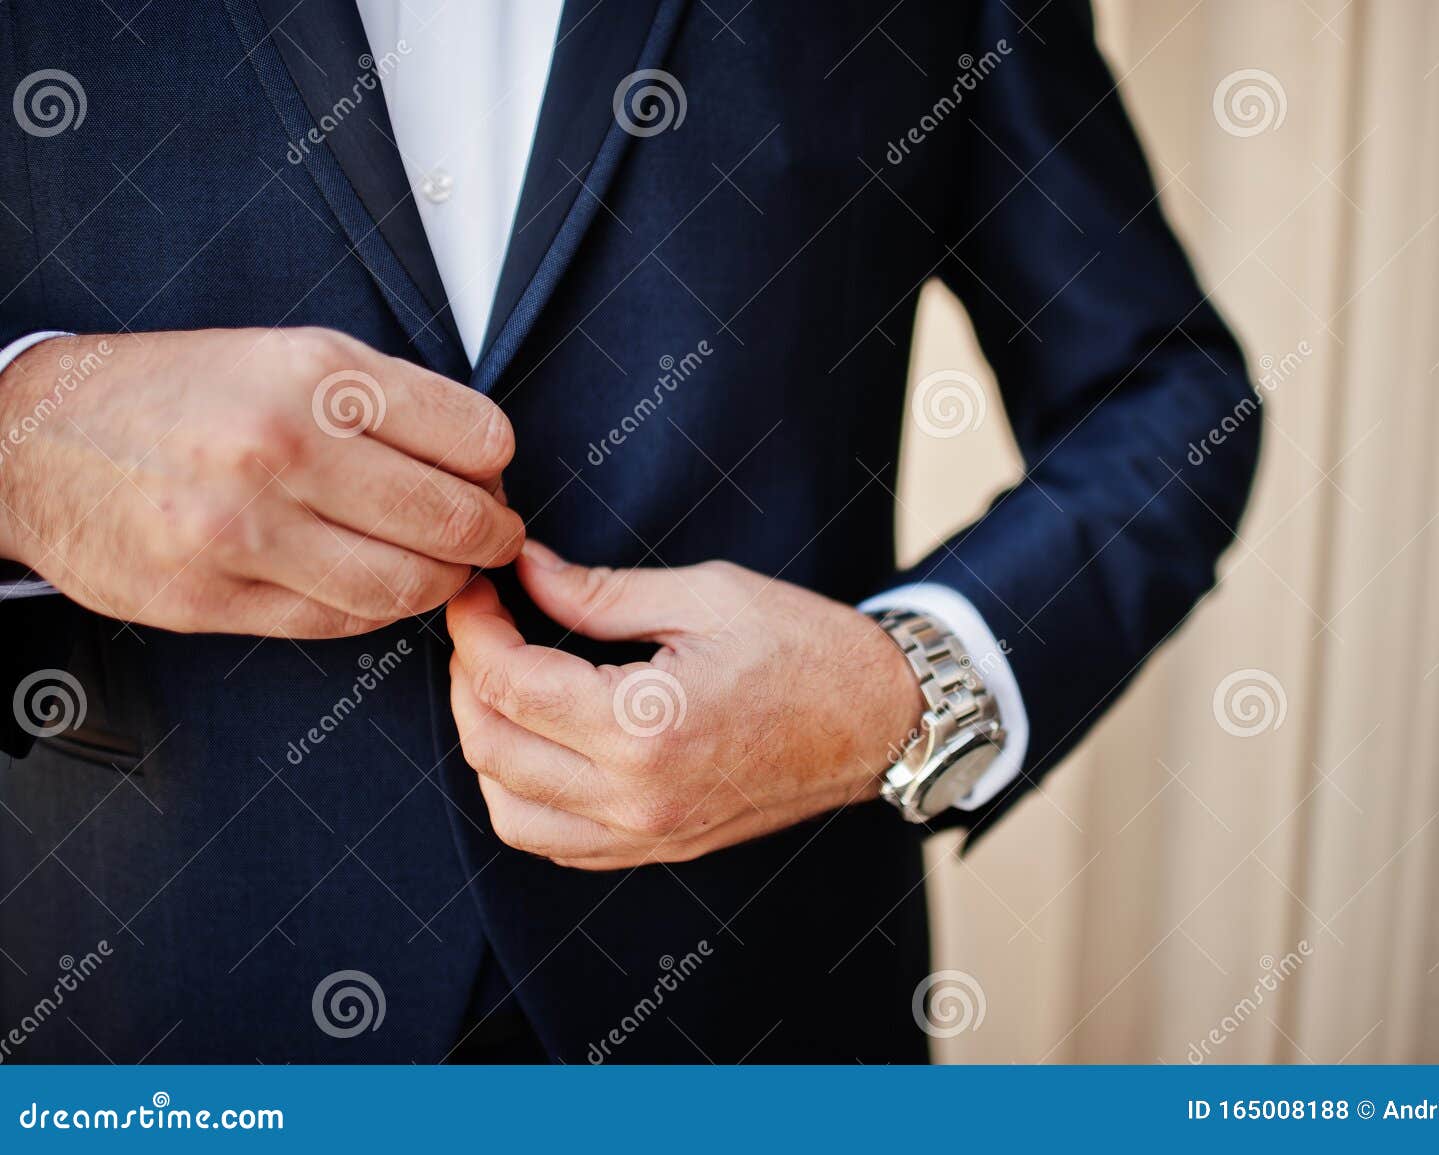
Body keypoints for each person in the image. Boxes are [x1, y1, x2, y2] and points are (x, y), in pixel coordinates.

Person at [0, 0, 1259, 1062]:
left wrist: (904, 687)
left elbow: (1164, 389)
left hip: (755, 1014)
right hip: (127, 995)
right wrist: (20, 450)